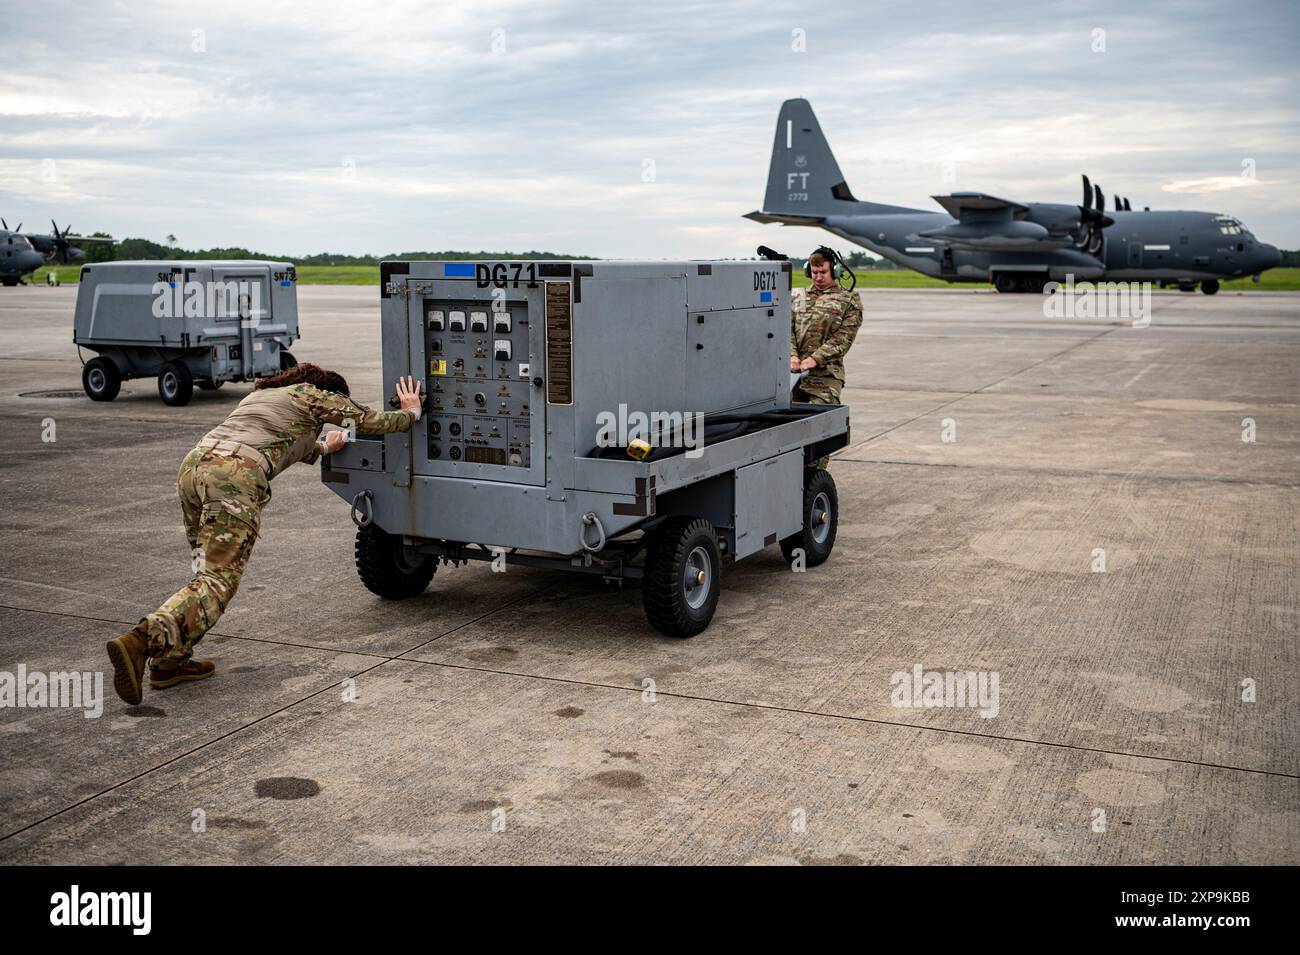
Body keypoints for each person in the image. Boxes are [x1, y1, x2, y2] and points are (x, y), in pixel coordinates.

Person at [105, 364, 423, 705]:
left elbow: (285, 443)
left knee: (204, 575)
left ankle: (171, 661)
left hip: (193, 468)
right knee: (218, 581)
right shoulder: (311, 393)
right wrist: (410, 413)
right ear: (327, 389)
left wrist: (325, 447)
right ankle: (142, 640)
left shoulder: (262, 396)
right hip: (233, 477)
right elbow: (368, 420)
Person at [790, 249, 863, 466]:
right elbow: (786, 330)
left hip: (826, 378)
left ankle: (813, 481)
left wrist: (815, 359)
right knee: (790, 430)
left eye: (823, 272)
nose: (818, 277)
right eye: (814, 272)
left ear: (836, 271)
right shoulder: (798, 296)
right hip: (795, 376)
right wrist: (793, 355)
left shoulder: (848, 300)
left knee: (819, 433)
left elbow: (843, 338)